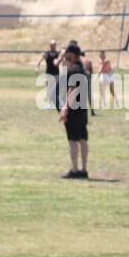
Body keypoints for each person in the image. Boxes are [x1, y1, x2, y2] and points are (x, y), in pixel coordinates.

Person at [59, 42, 89, 178]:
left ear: (72, 54)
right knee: (83, 139)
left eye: (67, 53)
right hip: (82, 109)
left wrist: (65, 108)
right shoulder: (82, 69)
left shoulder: (74, 70)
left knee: (72, 140)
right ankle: (84, 169)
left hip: (74, 109)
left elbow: (71, 90)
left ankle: (74, 169)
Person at [37, 41, 61, 110]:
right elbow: (40, 60)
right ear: (50, 45)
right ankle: (49, 104)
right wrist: (37, 67)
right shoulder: (46, 53)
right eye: (52, 45)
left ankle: (57, 103)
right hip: (49, 73)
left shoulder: (58, 53)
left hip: (57, 73)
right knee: (49, 89)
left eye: (54, 45)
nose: (53, 46)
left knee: (57, 89)